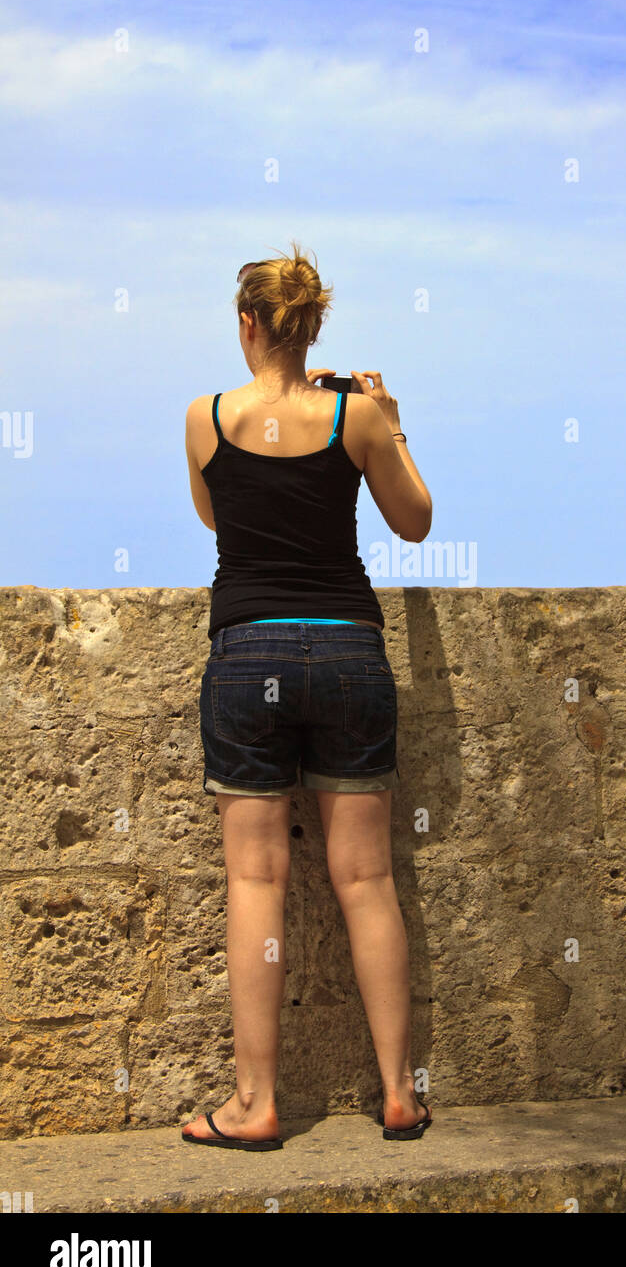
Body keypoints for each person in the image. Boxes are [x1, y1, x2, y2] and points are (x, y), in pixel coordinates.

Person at [181, 243, 433, 1150]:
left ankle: (256, 1104)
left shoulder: (203, 418)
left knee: (256, 878)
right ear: (314, 326)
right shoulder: (356, 417)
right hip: (349, 655)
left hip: (247, 654)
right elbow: (414, 521)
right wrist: (388, 421)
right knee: (366, 879)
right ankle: (398, 1093)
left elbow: (221, 516)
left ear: (247, 324)